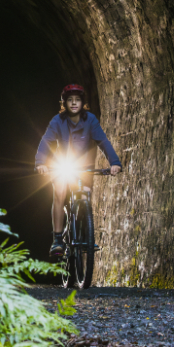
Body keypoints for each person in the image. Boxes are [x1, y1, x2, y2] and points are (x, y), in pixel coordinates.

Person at [35, 83, 122, 258]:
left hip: (83, 167)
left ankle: (85, 237)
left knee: (85, 195)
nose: (74, 103)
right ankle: (58, 239)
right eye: (70, 100)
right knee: (59, 192)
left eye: (77, 100)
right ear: (64, 103)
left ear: (83, 102)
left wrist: (114, 162)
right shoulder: (57, 121)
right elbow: (46, 142)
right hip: (62, 164)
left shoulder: (90, 120)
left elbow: (103, 141)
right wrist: (40, 162)